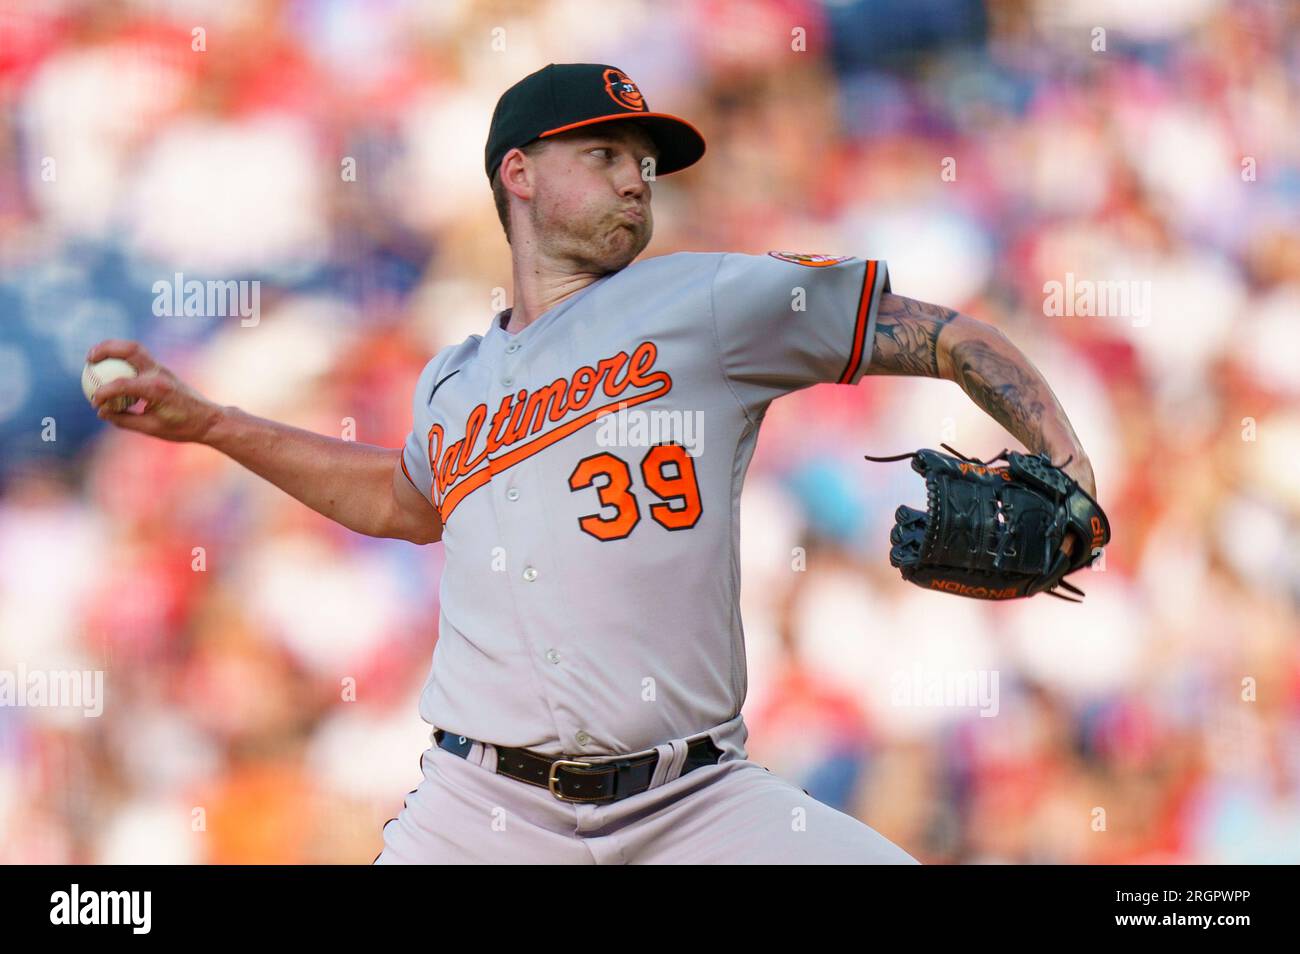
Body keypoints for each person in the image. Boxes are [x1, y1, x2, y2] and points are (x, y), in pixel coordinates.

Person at [88, 63, 1095, 864]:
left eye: (643, 164)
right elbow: (404, 501)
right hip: (481, 812)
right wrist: (212, 423)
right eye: (605, 152)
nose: (633, 177)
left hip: (695, 802)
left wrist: (1069, 462)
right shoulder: (455, 378)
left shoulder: (708, 301)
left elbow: (936, 333)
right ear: (516, 175)